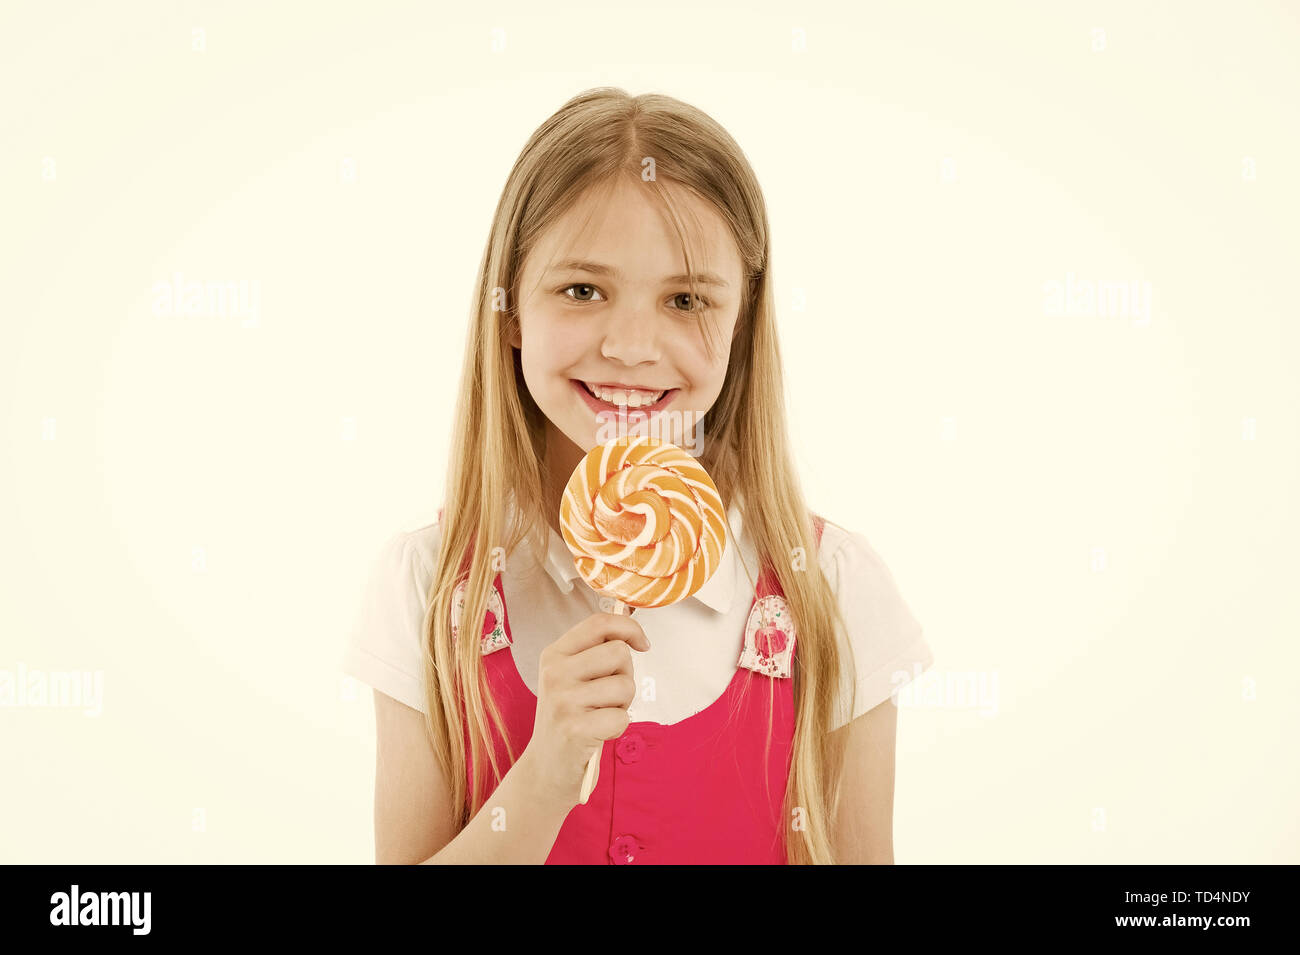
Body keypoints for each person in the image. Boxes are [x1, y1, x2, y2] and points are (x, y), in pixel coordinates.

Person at [342, 87, 934, 864]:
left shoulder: (831, 592)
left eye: (686, 298)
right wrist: (546, 771)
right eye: (582, 290)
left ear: (742, 323)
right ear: (511, 305)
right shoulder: (430, 590)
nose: (630, 345)